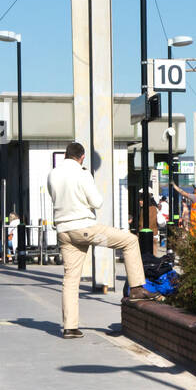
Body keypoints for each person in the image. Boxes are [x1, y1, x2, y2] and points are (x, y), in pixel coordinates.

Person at [47, 141, 155, 338]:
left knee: (70, 279)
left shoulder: (53, 174)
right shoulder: (82, 173)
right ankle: (137, 288)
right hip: (85, 229)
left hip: (64, 231)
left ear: (65, 155)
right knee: (129, 241)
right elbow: (97, 202)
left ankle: (70, 327)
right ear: (82, 157)